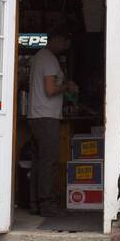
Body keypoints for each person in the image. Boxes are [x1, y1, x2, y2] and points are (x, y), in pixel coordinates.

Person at [27, 34, 77, 216]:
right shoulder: (49, 59)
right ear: (56, 40)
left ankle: (35, 203)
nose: (65, 45)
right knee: (49, 162)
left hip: (36, 116)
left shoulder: (39, 57)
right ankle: (47, 204)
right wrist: (67, 86)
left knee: (38, 162)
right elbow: (50, 90)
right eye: (64, 41)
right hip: (46, 117)